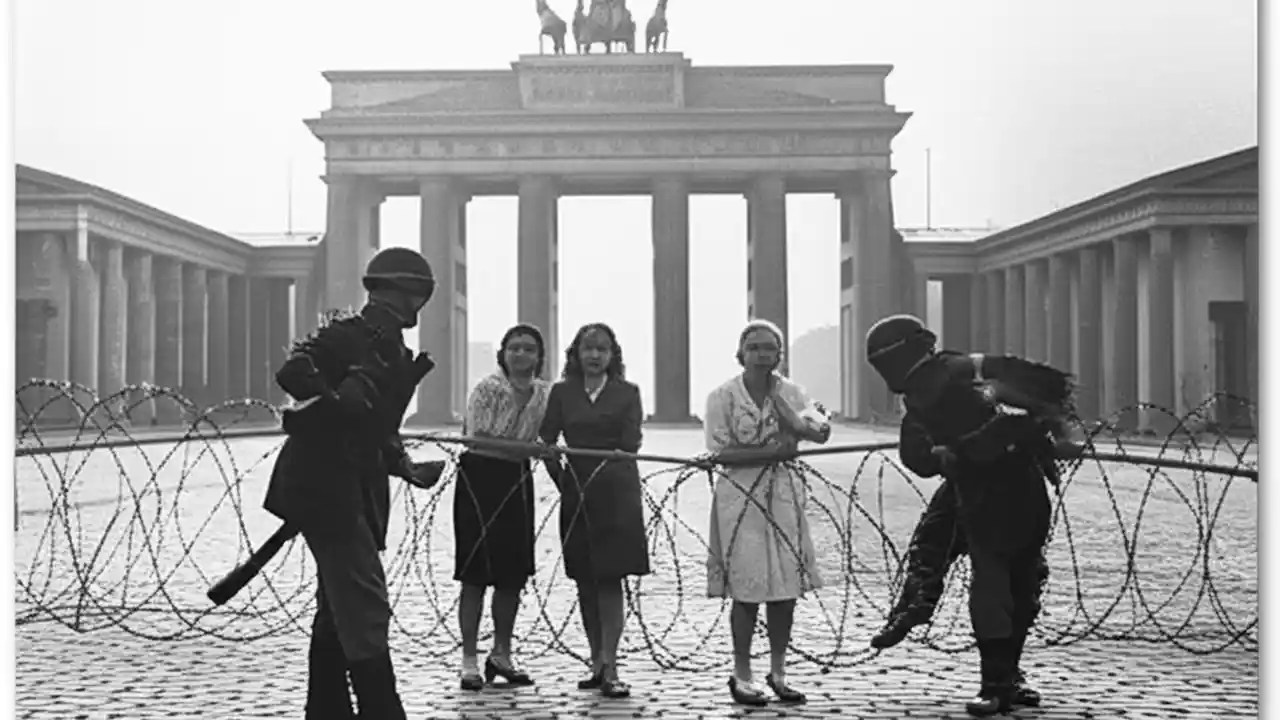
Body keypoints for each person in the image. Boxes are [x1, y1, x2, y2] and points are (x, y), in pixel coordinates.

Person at [263, 246, 444, 720]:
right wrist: (334, 401)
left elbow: (377, 426)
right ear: (390, 293)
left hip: (355, 486)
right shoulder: (347, 335)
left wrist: (402, 464)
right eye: (412, 294)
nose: (415, 306)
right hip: (326, 486)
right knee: (364, 604)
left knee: (336, 605)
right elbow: (292, 371)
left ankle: (326, 707)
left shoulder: (395, 351)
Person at [864, 314, 1073, 717]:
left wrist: (1048, 435)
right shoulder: (928, 390)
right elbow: (918, 450)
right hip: (971, 488)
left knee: (1016, 583)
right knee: (979, 571)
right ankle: (986, 670)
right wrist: (940, 455)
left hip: (1012, 487)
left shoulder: (957, 372)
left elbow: (1025, 409)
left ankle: (1003, 678)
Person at [703, 318, 832, 707]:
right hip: (739, 497)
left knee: (785, 590)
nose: (762, 354)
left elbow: (819, 429)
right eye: (754, 347)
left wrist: (792, 416)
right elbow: (720, 451)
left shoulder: (794, 392)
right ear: (740, 354)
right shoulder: (721, 397)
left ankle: (779, 672)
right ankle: (742, 673)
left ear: (779, 354)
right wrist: (774, 451)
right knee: (747, 588)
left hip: (784, 497)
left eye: (769, 348)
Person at [537, 322, 650, 698]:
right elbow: (548, 440)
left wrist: (608, 464)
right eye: (588, 348)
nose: (595, 355)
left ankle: (613, 664)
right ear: (577, 353)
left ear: (612, 354)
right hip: (577, 491)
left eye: (602, 349)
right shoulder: (562, 392)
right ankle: (596, 660)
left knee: (610, 578)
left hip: (616, 492)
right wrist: (562, 479)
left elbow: (630, 442)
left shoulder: (627, 393)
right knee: (586, 578)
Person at [453, 323, 552, 690]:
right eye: (515, 348)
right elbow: (479, 438)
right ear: (503, 352)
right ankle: (468, 659)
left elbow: (551, 437)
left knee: (513, 573)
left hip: (517, 480)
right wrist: (528, 449)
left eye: (529, 348)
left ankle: (502, 653)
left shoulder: (545, 394)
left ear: (540, 356)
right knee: (475, 573)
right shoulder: (486, 389)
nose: (521, 354)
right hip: (480, 480)